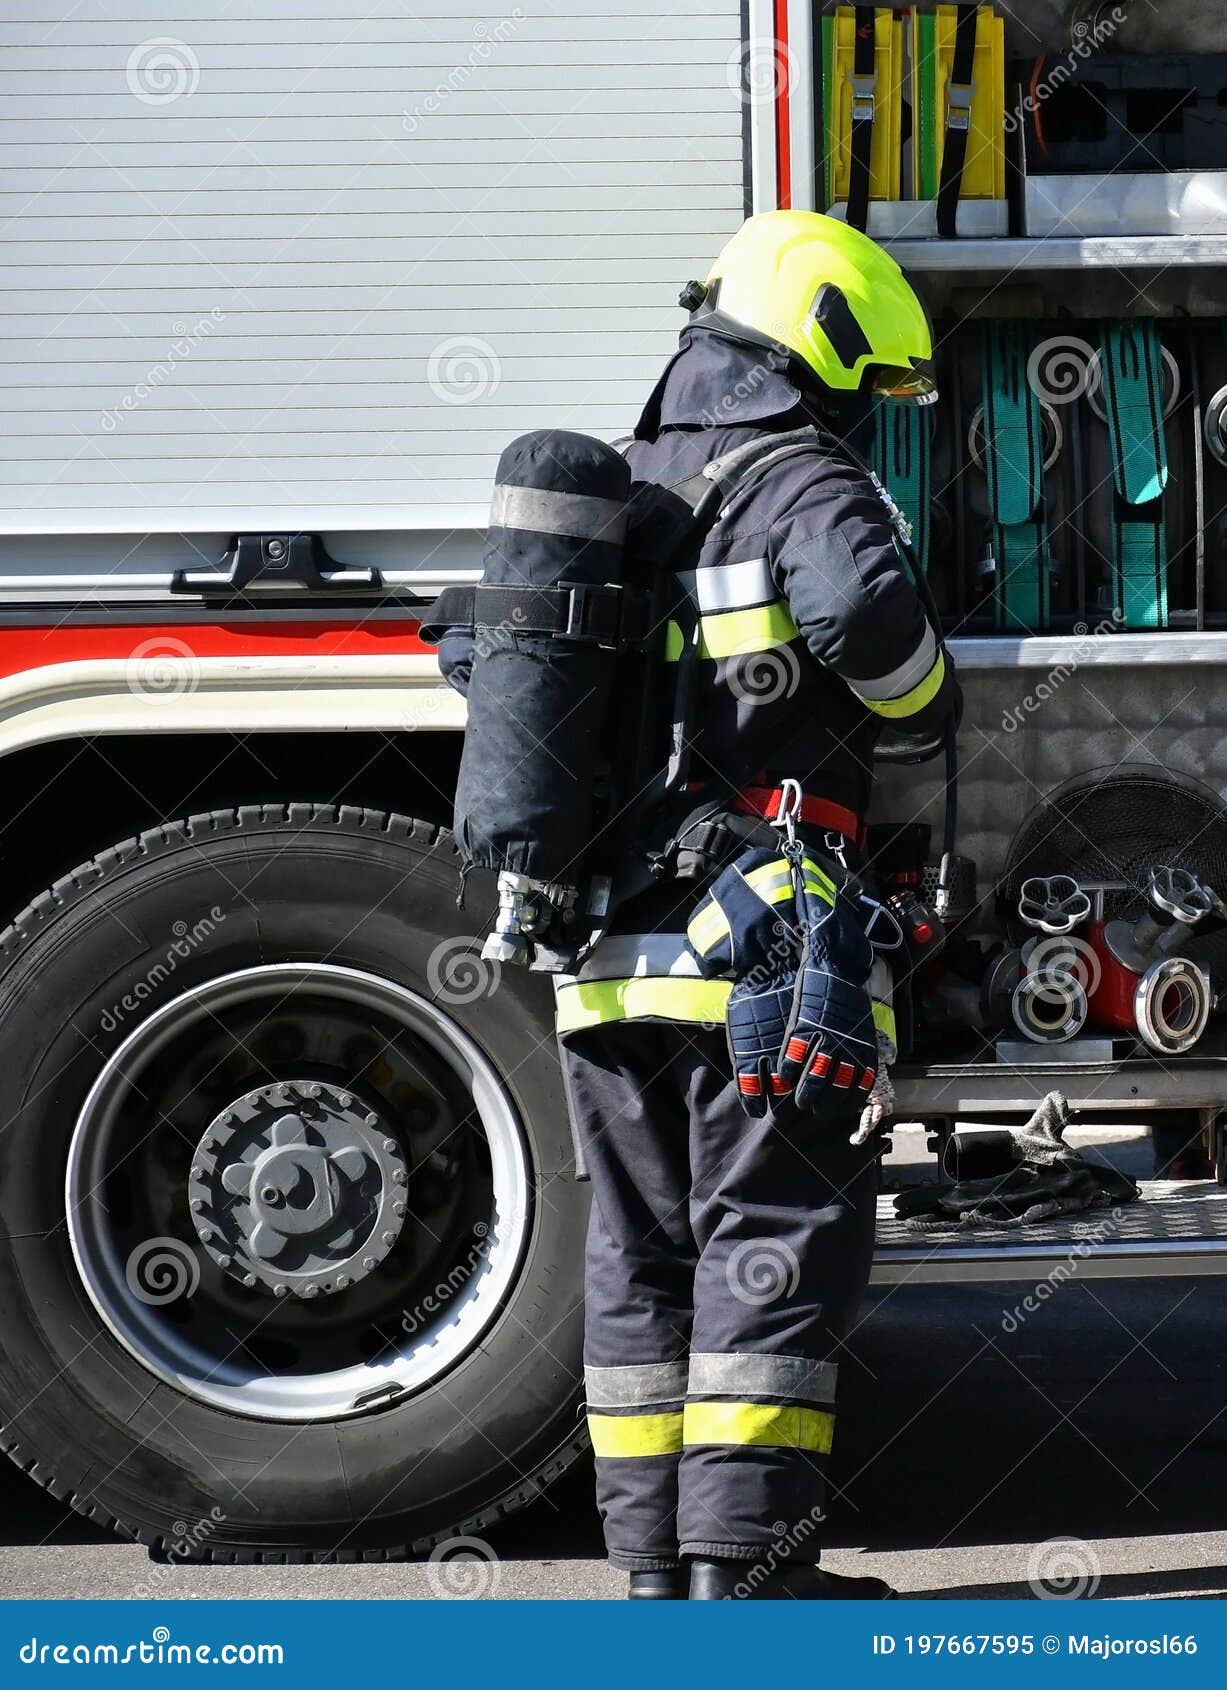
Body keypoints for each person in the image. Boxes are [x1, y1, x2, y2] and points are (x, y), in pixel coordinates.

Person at [552, 211, 959, 1599]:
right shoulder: (800, 478)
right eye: (865, 384)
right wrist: (929, 696)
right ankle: (752, 1573)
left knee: (641, 1255)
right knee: (770, 1245)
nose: (863, 413)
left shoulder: (610, 488)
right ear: (823, 345)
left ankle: (655, 1576)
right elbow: (876, 640)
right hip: (755, 955)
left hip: (602, 958)